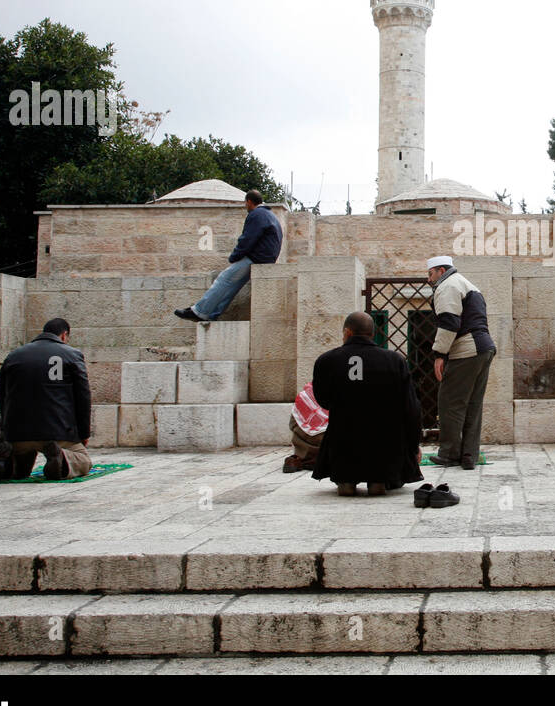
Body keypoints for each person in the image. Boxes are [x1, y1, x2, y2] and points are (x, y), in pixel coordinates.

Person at [310, 312, 423, 496]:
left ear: (347, 332)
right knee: (384, 431)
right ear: (372, 333)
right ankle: (378, 480)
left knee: (343, 427)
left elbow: (323, 399)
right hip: (383, 444)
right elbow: (411, 408)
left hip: (343, 440)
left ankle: (346, 480)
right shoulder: (395, 361)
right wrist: (413, 445)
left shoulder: (326, 361)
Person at [0, 318, 92, 483]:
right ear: (64, 335)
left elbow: (3, 395)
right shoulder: (72, 354)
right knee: (83, 460)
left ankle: (7, 464)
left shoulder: (14, 356)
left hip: (18, 432)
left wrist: (7, 431)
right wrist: (84, 432)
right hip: (57, 431)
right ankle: (62, 460)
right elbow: (83, 396)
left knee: (22, 462)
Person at [427, 256, 496, 470]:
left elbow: (449, 323)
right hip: (484, 348)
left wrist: (440, 354)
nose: (428, 279)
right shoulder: (467, 284)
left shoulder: (447, 285)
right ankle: (469, 455)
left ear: (440, 270)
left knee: (450, 403)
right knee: (474, 405)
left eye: (430, 274)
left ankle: (449, 454)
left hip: (467, 350)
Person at [175, 190, 283, 322]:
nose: (245, 206)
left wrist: (234, 256)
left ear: (249, 202)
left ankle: (199, 311)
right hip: (266, 258)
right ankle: (212, 314)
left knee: (224, 279)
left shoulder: (256, 214)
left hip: (256, 258)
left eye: (245, 203)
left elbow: (247, 239)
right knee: (232, 287)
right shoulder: (270, 215)